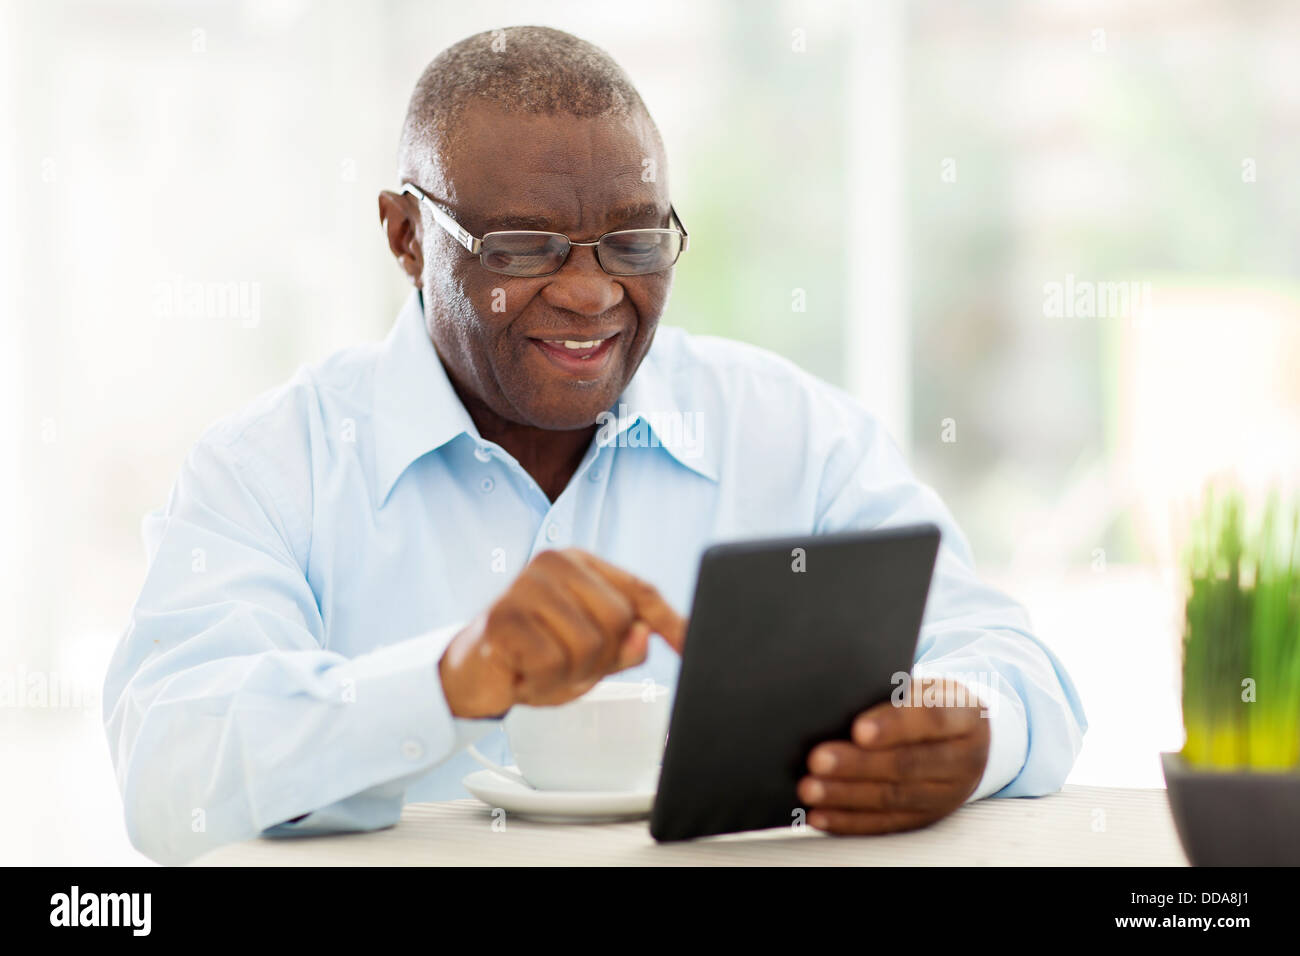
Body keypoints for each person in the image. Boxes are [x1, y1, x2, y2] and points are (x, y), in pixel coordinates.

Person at [103, 25, 1086, 865]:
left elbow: (1011, 660)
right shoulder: (271, 466)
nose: (590, 292)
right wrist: (449, 678)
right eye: (522, 246)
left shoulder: (790, 433)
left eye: (635, 239)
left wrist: (971, 731)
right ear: (405, 236)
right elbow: (170, 765)